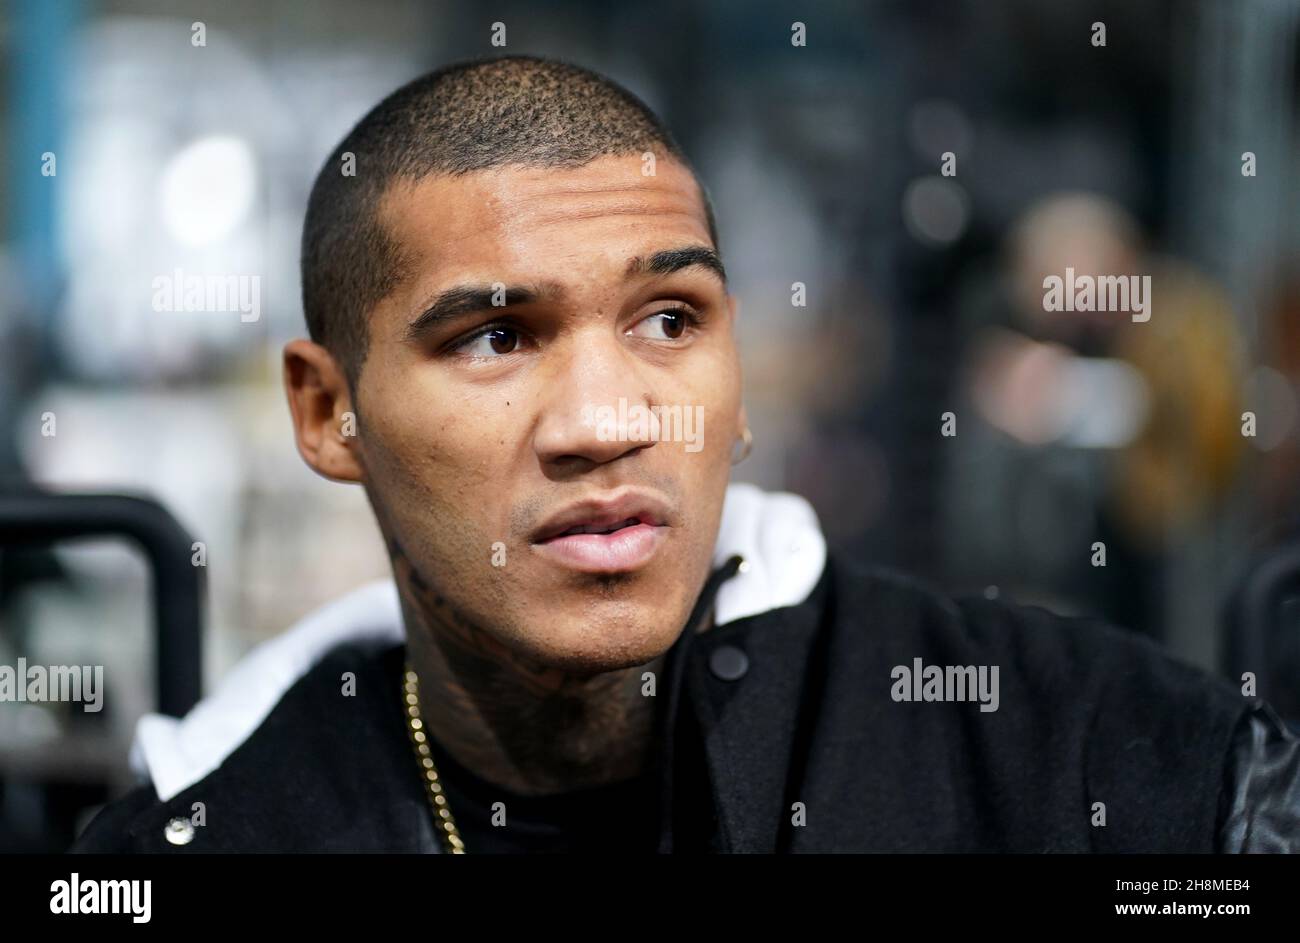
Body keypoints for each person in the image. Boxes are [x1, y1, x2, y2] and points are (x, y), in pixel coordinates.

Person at [73, 54, 1300, 854]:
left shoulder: (1088, 758)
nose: (611, 421)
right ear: (326, 414)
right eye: (497, 336)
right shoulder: (201, 839)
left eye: (671, 322)